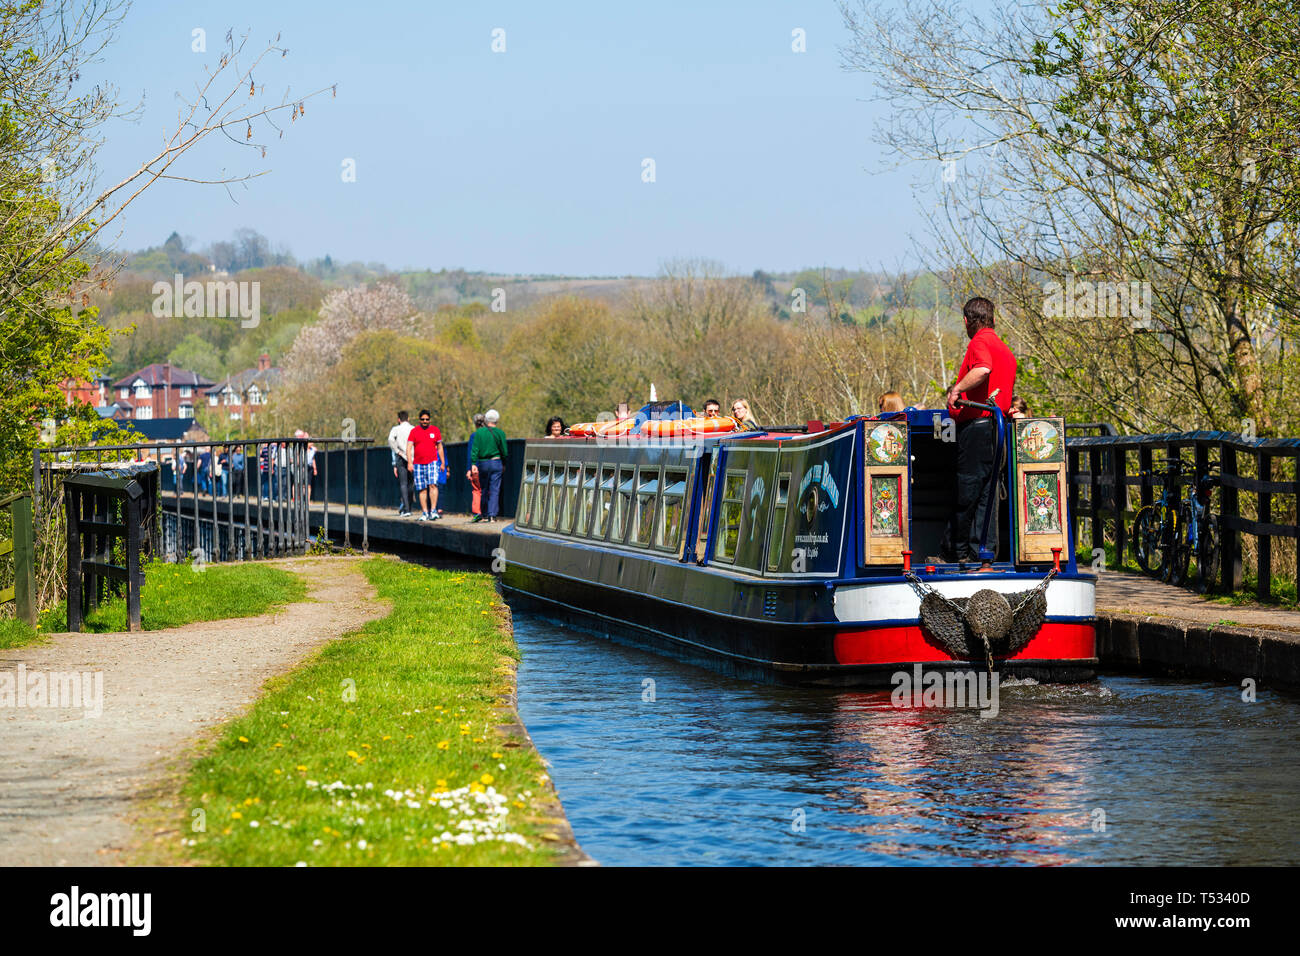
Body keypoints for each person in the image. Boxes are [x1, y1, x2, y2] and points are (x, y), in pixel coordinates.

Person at [942, 296, 1017, 571]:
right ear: (992, 318)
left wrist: (957, 390)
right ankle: (983, 556)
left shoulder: (980, 343)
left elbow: (983, 369)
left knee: (967, 490)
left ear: (966, 321)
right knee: (988, 496)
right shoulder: (1006, 350)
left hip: (978, 428)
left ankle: (956, 555)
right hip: (999, 432)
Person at [470, 409, 508, 523]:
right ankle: (492, 515)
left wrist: (473, 464)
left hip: (483, 463)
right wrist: (504, 463)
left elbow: (475, 449)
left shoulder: (479, 433)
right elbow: (504, 451)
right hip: (496, 462)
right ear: (497, 420)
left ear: (486, 419)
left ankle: (484, 513)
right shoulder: (500, 433)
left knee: (484, 489)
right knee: (495, 489)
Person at [406, 409, 445, 521]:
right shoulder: (414, 431)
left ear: (430, 420)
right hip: (418, 464)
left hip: (432, 462)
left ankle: (433, 511)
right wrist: (409, 462)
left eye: (427, 419)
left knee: (433, 485)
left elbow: (440, 447)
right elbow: (408, 448)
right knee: (422, 489)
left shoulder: (435, 430)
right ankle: (425, 512)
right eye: (422, 419)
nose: (425, 421)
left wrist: (442, 462)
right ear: (419, 420)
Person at [387, 410, 415, 516]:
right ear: (408, 418)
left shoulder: (396, 429)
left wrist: (397, 451)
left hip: (400, 457)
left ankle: (406, 508)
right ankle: (410, 507)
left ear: (399, 419)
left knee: (403, 483)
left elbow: (390, 440)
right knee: (411, 483)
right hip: (412, 457)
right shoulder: (413, 429)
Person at [467, 413, 485, 517]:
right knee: (488, 489)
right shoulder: (489, 435)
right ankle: (488, 512)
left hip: (476, 467)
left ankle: (477, 512)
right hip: (488, 464)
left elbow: (470, 453)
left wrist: (469, 469)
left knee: (477, 490)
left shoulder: (474, 436)